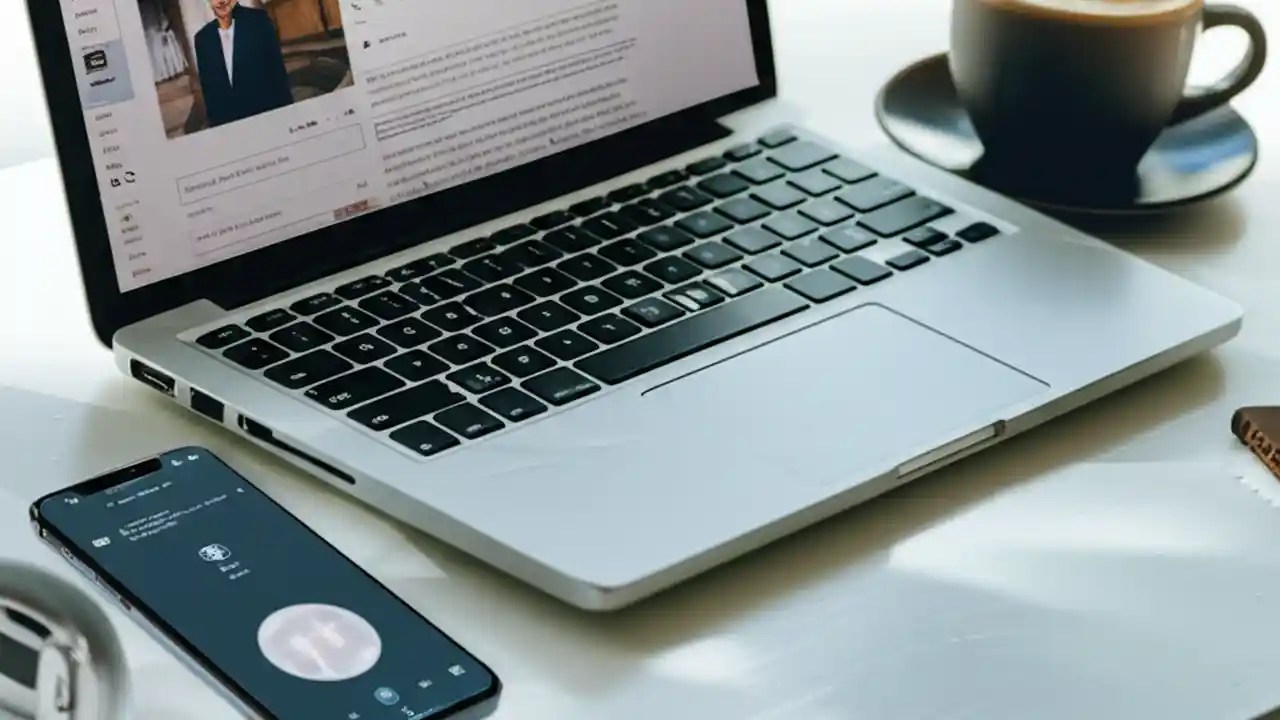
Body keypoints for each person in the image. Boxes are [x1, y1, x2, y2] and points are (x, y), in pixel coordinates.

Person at [194, 0, 293, 127]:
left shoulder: (259, 21)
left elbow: (279, 77)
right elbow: (210, 95)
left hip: (267, 119)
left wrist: (288, 120)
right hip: (229, 127)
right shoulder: (202, 39)